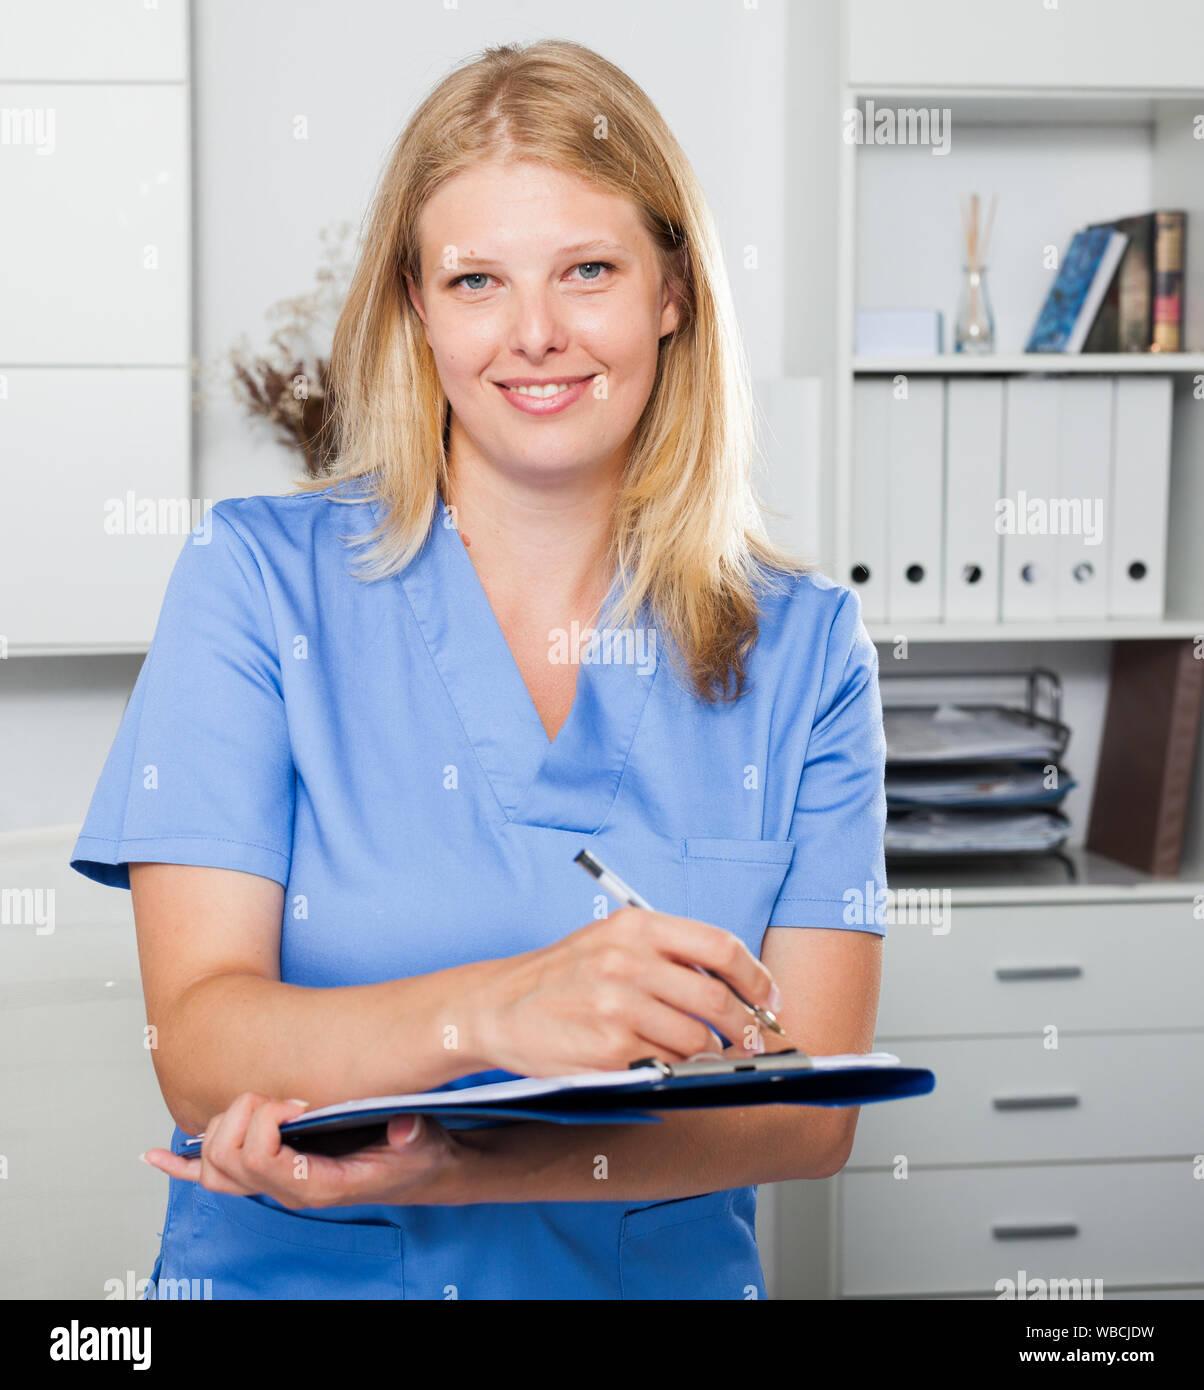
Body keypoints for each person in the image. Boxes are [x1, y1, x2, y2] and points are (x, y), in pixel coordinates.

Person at [70, 37, 887, 1300]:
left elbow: (811, 1112)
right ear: (416, 308)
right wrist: (502, 1009)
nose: (537, 334)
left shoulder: (807, 650)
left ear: (672, 290)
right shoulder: (256, 581)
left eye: (589, 270)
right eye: (476, 282)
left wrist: (446, 1159)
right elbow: (199, 1042)